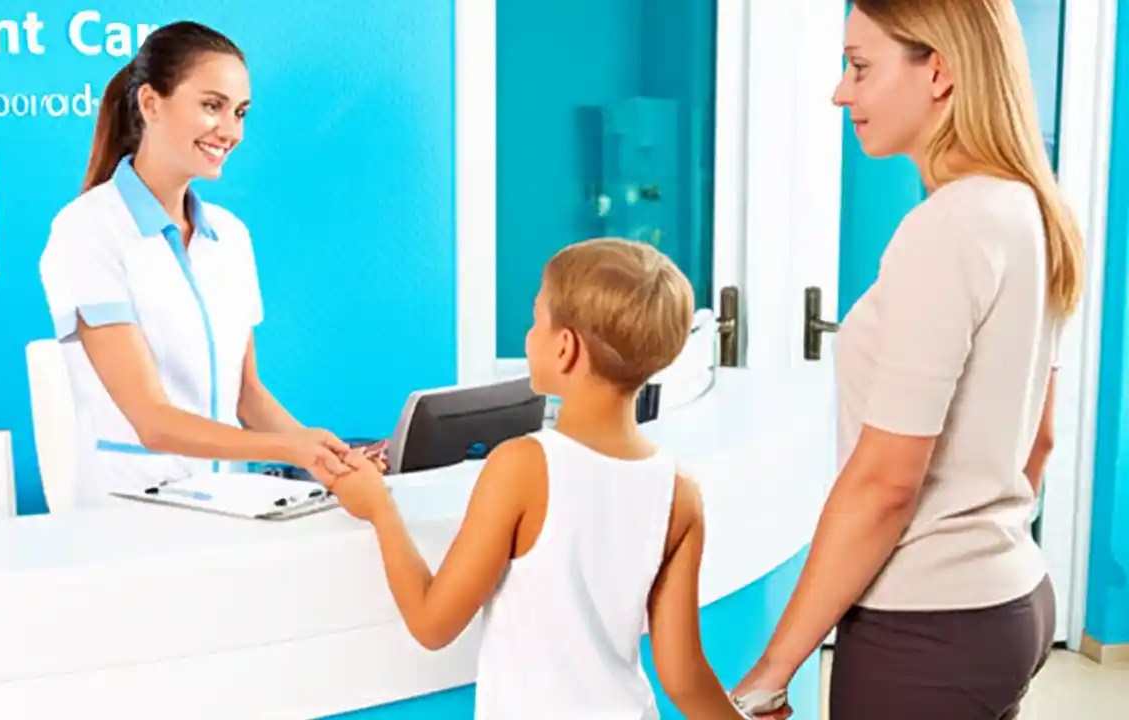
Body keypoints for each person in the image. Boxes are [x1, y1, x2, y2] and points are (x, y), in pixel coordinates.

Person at [733, 2, 1083, 718]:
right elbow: (1038, 439)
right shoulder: (1029, 210)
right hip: (1007, 600)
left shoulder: (947, 229)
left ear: (940, 73)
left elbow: (887, 484)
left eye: (859, 67)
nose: (840, 92)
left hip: (926, 630)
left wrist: (770, 672)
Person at [324, 238, 748, 719]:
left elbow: (432, 624)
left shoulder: (523, 467)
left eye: (536, 320)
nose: (529, 336)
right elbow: (685, 676)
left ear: (565, 348)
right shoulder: (680, 493)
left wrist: (379, 507)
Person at [39, 21, 349, 506]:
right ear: (149, 103)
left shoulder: (231, 236)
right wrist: (291, 449)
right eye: (212, 105)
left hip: (231, 504)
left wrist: (333, 462)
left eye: (240, 112)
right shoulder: (86, 231)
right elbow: (152, 420)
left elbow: (246, 394)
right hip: (128, 512)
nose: (230, 130)